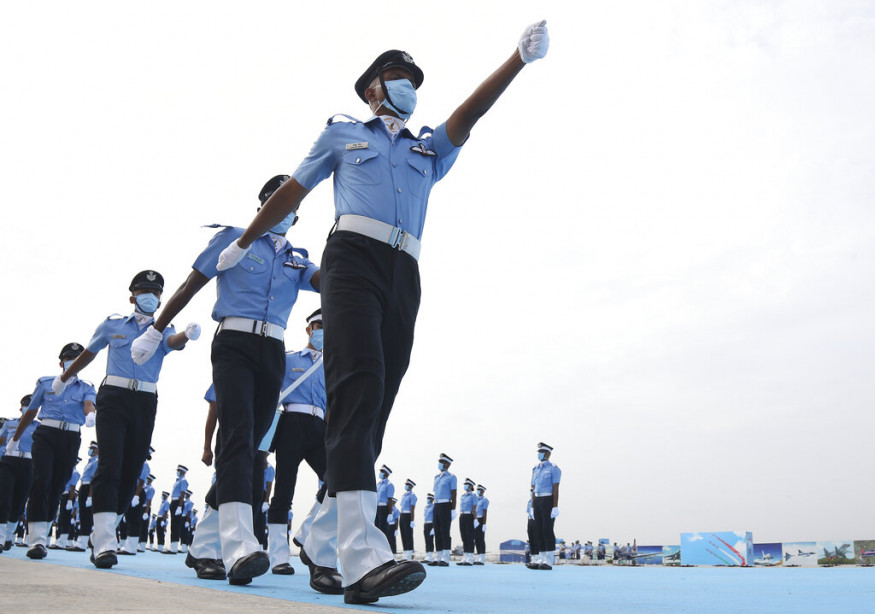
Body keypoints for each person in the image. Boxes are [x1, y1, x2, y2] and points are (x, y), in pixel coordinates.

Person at [215, 20, 550, 604]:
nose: (408, 88)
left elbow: (468, 116)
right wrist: (246, 239)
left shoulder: (426, 148)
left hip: (405, 271)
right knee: (359, 382)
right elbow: (294, 190)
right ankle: (362, 555)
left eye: (413, 81)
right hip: (351, 261)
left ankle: (320, 535)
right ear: (372, 88)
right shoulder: (341, 135)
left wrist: (515, 61)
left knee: (378, 406)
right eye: (398, 78)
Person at [134, 175, 320, 585]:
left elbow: (329, 284)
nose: (287, 212)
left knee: (250, 446)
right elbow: (190, 285)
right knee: (235, 435)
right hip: (233, 342)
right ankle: (239, 546)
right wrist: (155, 328)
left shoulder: (297, 257)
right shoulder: (234, 239)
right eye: (280, 202)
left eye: (294, 207)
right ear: (262, 204)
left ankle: (204, 545)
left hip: (273, 350)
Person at [56, 271, 198, 568]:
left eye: (156, 292)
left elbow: (173, 341)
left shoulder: (162, 330)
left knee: (132, 468)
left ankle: (104, 529)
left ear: (161, 299)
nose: (150, 296)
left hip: (145, 400)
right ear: (132, 296)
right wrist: (66, 376)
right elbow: (89, 352)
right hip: (114, 396)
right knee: (110, 463)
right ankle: (106, 543)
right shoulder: (112, 325)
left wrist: (187, 333)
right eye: (144, 291)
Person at [7, 343, 97, 559]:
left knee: (57, 486)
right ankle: (36, 541)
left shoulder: (86, 386)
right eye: (69, 358)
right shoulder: (45, 382)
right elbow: (31, 411)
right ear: (61, 362)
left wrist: (91, 414)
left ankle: (43, 537)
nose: (73, 361)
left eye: (77, 358)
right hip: (46, 433)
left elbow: (88, 404)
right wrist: (16, 438)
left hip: (70, 437)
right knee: (41, 481)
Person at [266, 308, 328, 577]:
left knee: (335, 480)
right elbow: (271, 394)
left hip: (321, 427)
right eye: (318, 325)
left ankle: (306, 532)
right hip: (292, 424)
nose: (323, 330)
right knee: (283, 492)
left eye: (328, 326)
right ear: (309, 329)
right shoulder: (289, 359)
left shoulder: (334, 365)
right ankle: (278, 556)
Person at [0, 395, 38, 551]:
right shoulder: (10, 424)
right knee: (4, 498)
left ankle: (9, 535)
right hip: (9, 461)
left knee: (19, 502)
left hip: (28, 464)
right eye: (25, 404)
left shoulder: (39, 427)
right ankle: (1, 538)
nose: (26, 407)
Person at [530, 442, 561, 570]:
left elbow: (556, 488)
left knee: (547, 529)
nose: (539, 454)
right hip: (537, 499)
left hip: (548, 500)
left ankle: (548, 560)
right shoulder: (535, 469)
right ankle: (541, 559)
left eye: (541, 452)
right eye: (539, 452)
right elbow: (533, 489)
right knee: (538, 530)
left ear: (548, 454)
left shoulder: (554, 468)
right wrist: (532, 506)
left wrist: (555, 506)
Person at [431, 453, 457, 567]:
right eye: (439, 462)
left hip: (446, 505)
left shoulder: (451, 477)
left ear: (447, 464)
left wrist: (453, 509)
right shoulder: (436, 477)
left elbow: (454, 493)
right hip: (436, 505)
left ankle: (445, 558)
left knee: (445, 531)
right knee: (437, 531)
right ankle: (438, 557)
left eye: (442, 462)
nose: (440, 464)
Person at [51, 463, 80, 549]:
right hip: (64, 496)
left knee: (65, 519)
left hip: (68, 497)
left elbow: (72, 488)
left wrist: (70, 500)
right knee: (61, 519)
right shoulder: (68, 472)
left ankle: (63, 541)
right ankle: (59, 540)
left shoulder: (74, 472)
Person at [165, 464, 189, 554]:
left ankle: (174, 547)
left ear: (182, 471)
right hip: (174, 502)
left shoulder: (183, 481)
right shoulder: (178, 480)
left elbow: (183, 494)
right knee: (173, 524)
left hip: (178, 502)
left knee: (176, 525)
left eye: (178, 470)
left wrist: (179, 506)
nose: (177, 471)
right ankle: (172, 546)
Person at [457, 478, 476, 566]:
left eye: (467, 484)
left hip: (470, 516)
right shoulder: (463, 496)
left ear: (471, 486)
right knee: (464, 537)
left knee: (469, 537)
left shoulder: (473, 496)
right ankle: (465, 557)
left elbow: (474, 509)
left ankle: (470, 558)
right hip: (462, 515)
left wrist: (475, 519)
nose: (465, 486)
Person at [398, 479, 416, 561]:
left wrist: (412, 520)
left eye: (408, 485)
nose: (406, 486)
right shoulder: (404, 495)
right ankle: (405, 553)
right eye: (406, 484)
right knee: (403, 534)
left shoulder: (412, 496)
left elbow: (412, 509)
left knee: (408, 535)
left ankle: (409, 554)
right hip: (402, 515)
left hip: (408, 515)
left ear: (411, 486)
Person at [375, 465, 395, 539]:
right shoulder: (378, 484)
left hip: (384, 508)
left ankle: (383, 546)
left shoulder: (389, 485)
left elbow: (390, 500)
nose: (380, 473)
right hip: (377, 507)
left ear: (387, 473)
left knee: (382, 528)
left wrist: (390, 513)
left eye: (382, 471)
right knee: (376, 527)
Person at [473, 484, 488, 565]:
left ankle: (482, 557)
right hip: (475, 519)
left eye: (480, 490)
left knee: (481, 539)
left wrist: (484, 524)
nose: (478, 491)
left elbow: (485, 512)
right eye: (477, 489)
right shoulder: (475, 499)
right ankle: (478, 556)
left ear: (483, 491)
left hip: (481, 519)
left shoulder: (485, 500)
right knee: (476, 539)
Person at [422, 493, 435, 564]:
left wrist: (434, 527)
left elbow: (435, 517)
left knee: (430, 540)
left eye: (429, 498)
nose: (428, 500)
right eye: (428, 498)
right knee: (426, 540)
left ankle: (430, 556)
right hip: (426, 523)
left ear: (433, 499)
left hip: (431, 524)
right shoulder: (426, 507)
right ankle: (427, 555)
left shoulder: (434, 507)